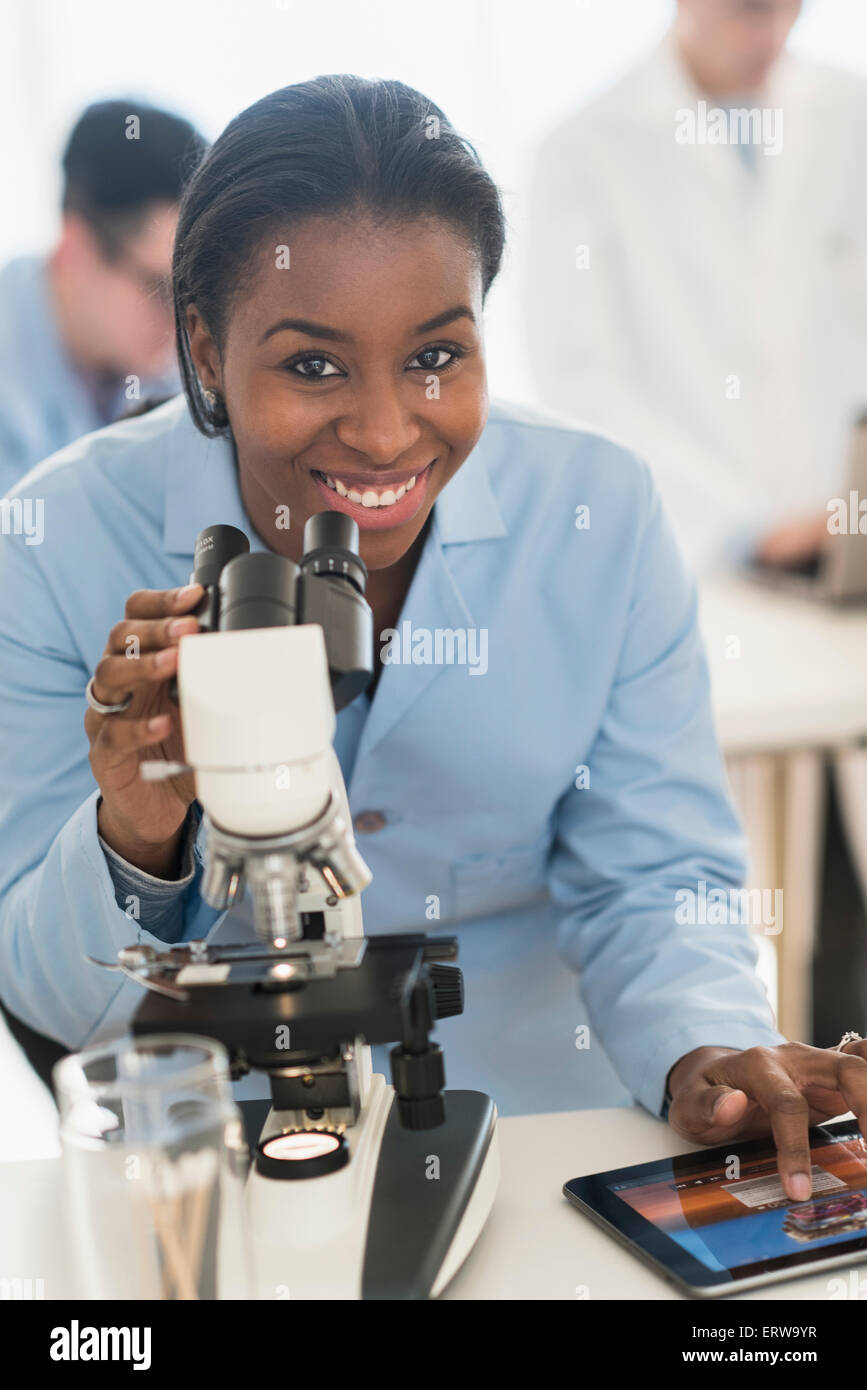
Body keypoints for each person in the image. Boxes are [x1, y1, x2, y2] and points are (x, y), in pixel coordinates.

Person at [1, 76, 865, 1199]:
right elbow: (46, 994)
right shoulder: (57, 538)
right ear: (206, 351)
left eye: (436, 356)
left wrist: (702, 1047)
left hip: (543, 1146)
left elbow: (652, 879)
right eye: (312, 364)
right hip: (211, 1170)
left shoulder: (595, 513)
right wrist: (138, 827)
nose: (382, 429)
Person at [526, 0, 867, 576]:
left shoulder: (850, 112)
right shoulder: (584, 152)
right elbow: (580, 386)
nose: (776, 36)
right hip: (698, 556)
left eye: (795, 9)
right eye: (752, 12)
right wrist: (741, 526)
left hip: (843, 543)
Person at [0, 100, 206, 494]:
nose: (182, 327)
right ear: (75, 247)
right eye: (160, 290)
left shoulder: (166, 371)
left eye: (195, 294)